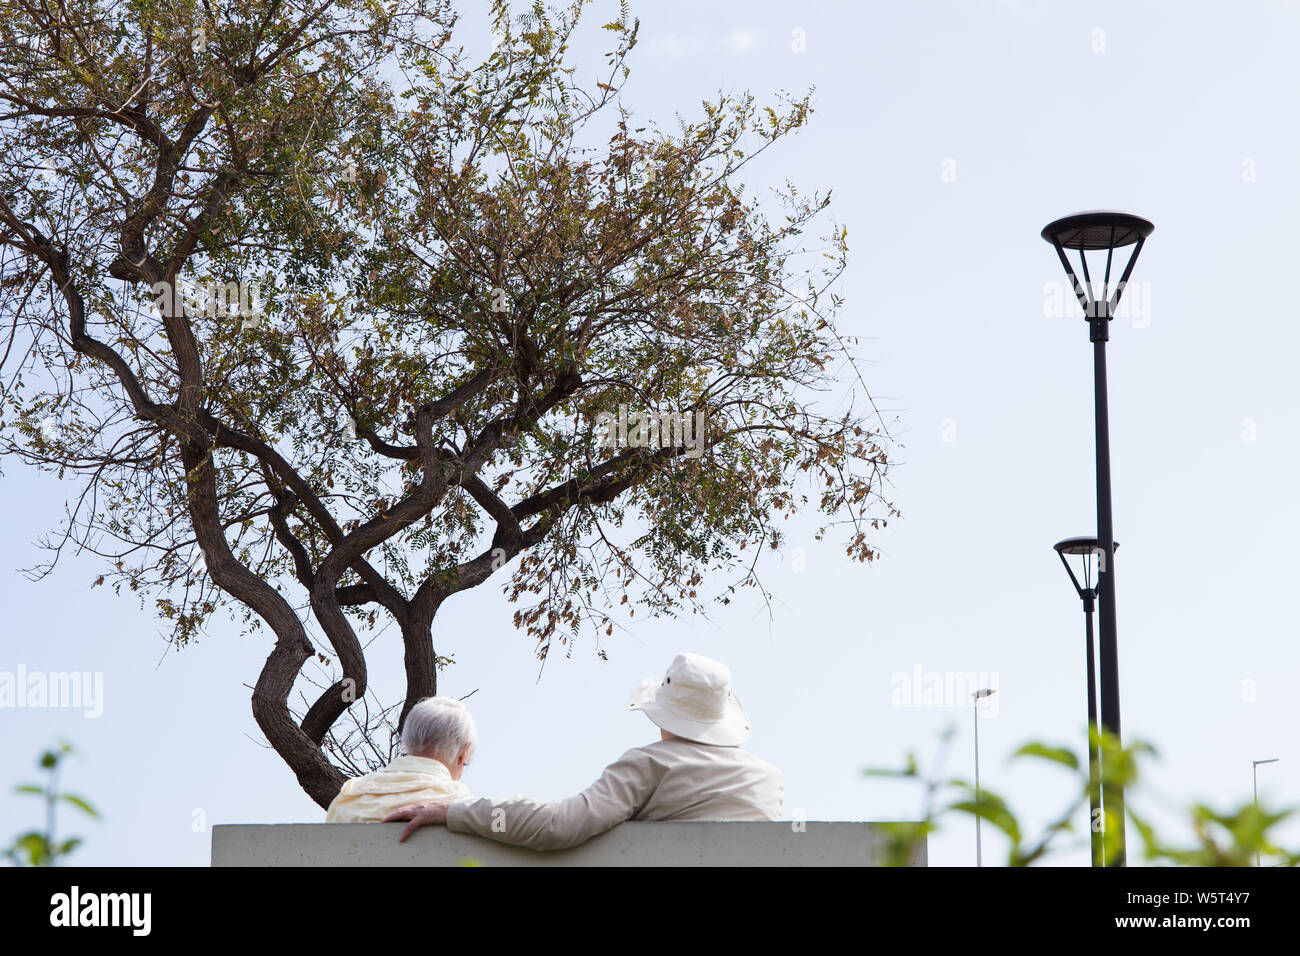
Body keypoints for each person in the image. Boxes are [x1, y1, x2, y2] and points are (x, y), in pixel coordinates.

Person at [381, 652, 783, 849]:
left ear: (663, 717)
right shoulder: (768, 780)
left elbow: (561, 825)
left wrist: (450, 811)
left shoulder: (650, 763)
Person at [325, 696, 476, 823]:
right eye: (466, 762)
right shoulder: (460, 805)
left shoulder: (347, 797)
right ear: (463, 753)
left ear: (406, 740)